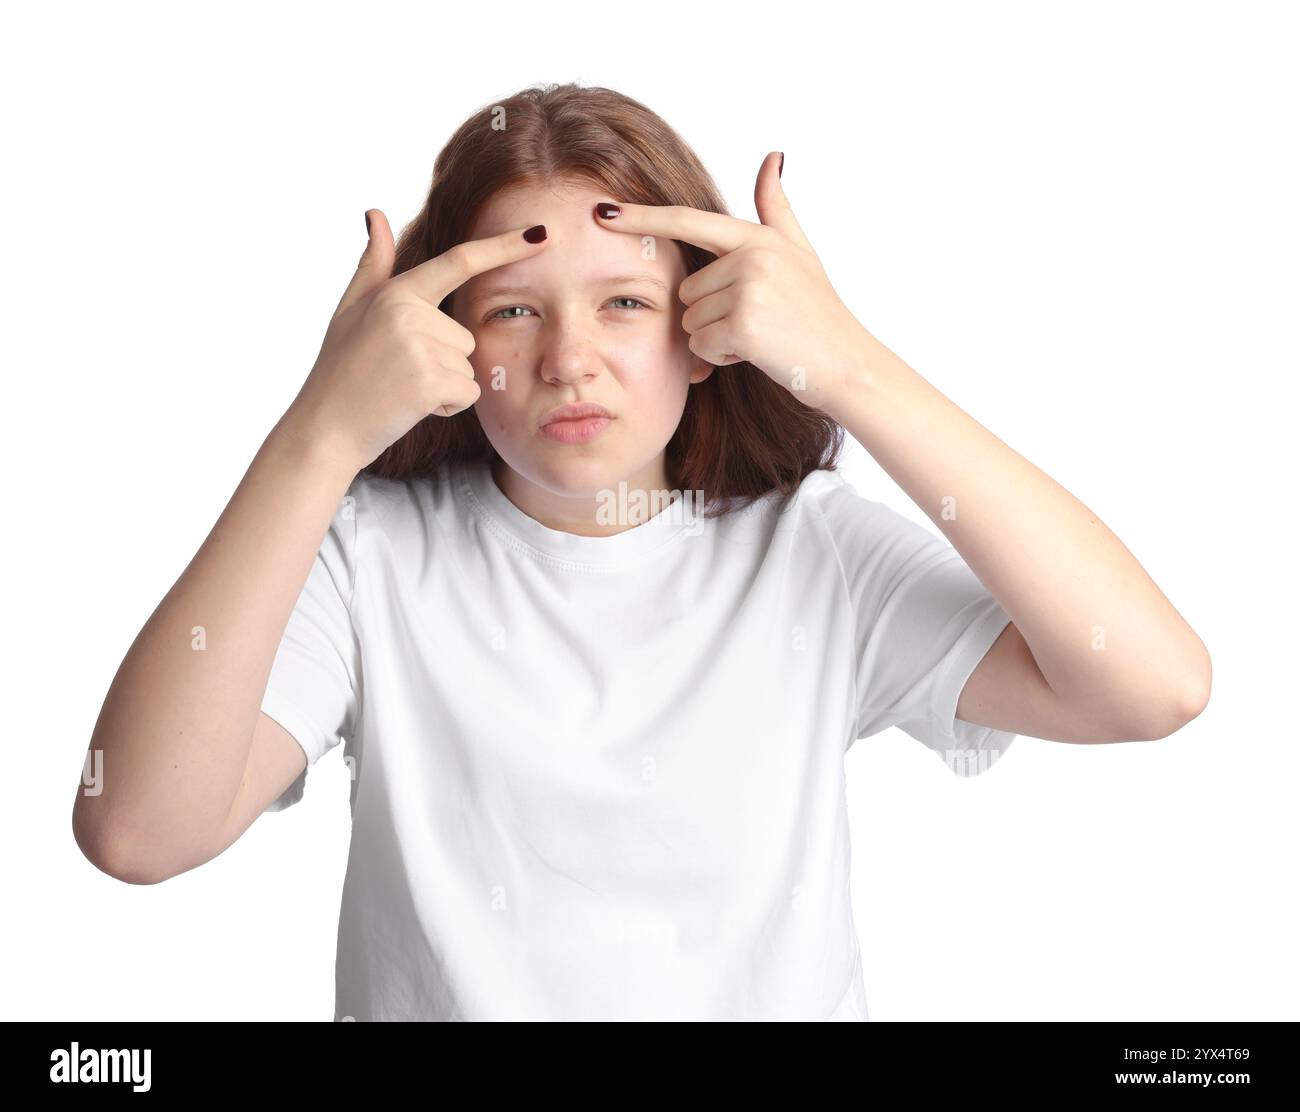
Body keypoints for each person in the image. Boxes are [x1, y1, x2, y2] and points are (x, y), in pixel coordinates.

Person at [72, 82, 1211, 1021]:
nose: (571, 359)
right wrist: (317, 431)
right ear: (446, 337)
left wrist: (849, 363)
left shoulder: (811, 555)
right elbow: (136, 828)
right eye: (514, 310)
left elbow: (1153, 683)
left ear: (707, 327)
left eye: (622, 301)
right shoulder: (368, 563)